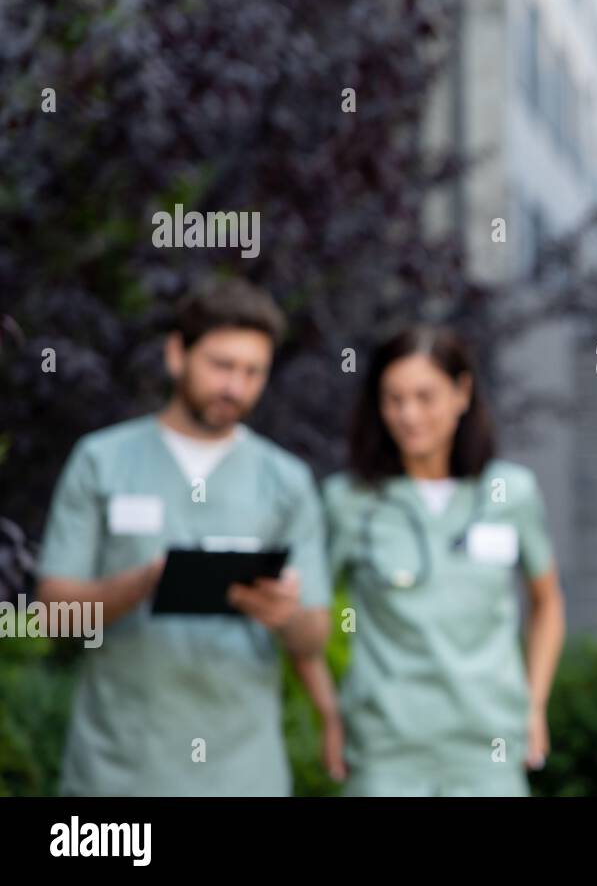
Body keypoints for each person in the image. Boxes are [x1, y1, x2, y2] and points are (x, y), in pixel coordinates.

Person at [36, 278, 331, 795]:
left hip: (243, 773)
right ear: (177, 355)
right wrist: (144, 582)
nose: (235, 388)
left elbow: (315, 637)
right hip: (119, 771)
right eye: (221, 365)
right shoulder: (101, 462)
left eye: (252, 372)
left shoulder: (286, 481)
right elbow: (54, 618)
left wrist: (287, 614)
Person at [316, 324, 565, 796]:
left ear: (462, 392)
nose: (409, 415)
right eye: (394, 399)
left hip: (488, 746)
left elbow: (547, 602)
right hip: (384, 750)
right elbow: (307, 613)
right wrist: (330, 713)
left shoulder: (511, 493)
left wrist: (534, 705)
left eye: (425, 397)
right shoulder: (348, 501)